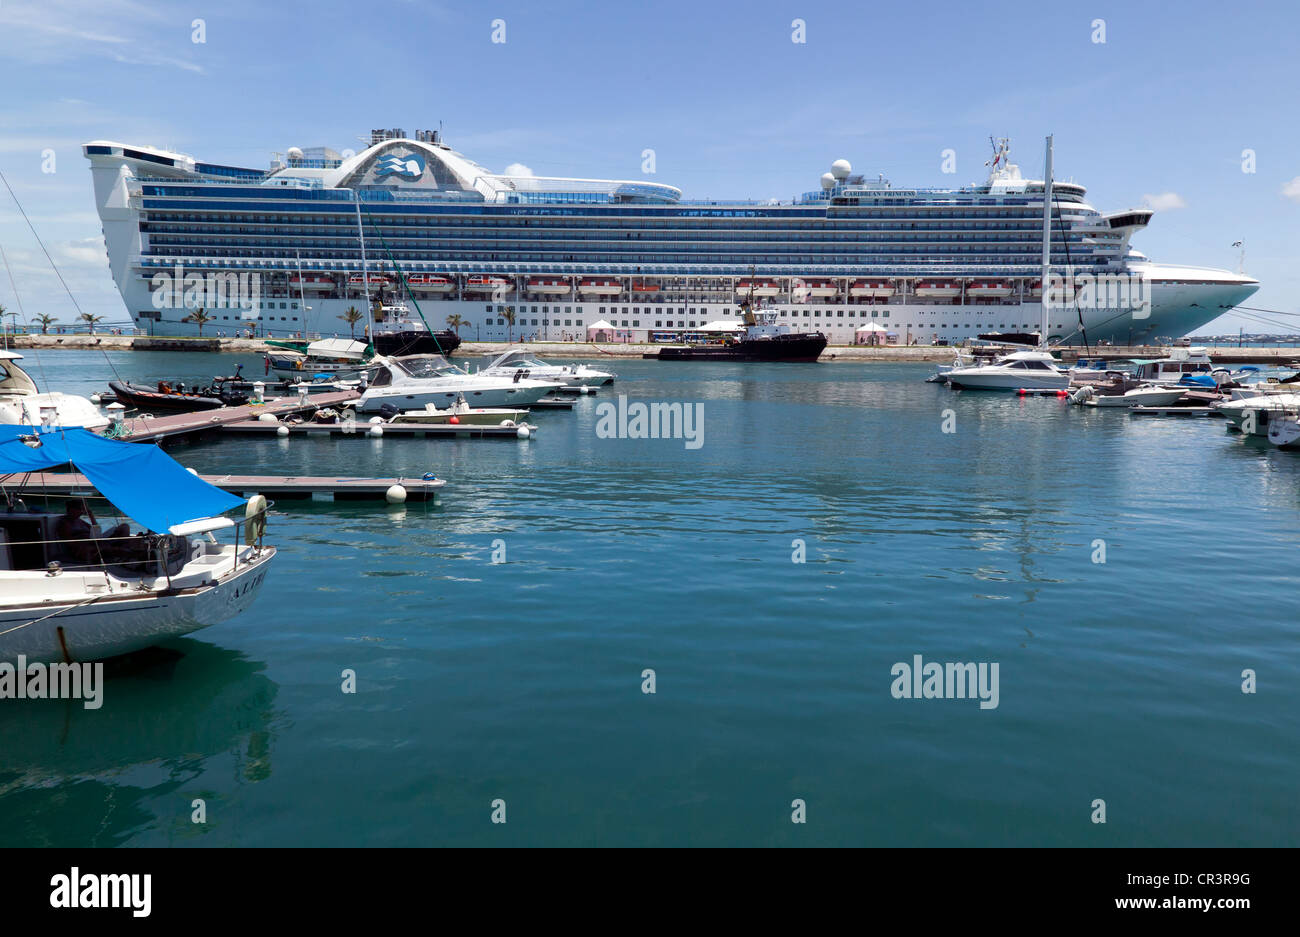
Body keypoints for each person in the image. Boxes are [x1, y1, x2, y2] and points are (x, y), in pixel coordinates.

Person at [52, 499, 131, 567]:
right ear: (71, 509)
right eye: (80, 509)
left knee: (124, 527)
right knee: (110, 549)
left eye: (83, 509)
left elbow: (96, 530)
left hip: (94, 542)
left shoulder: (80, 521)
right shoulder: (65, 523)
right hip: (83, 549)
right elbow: (69, 542)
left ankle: (126, 549)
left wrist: (91, 516)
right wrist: (88, 542)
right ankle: (127, 552)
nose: (82, 512)